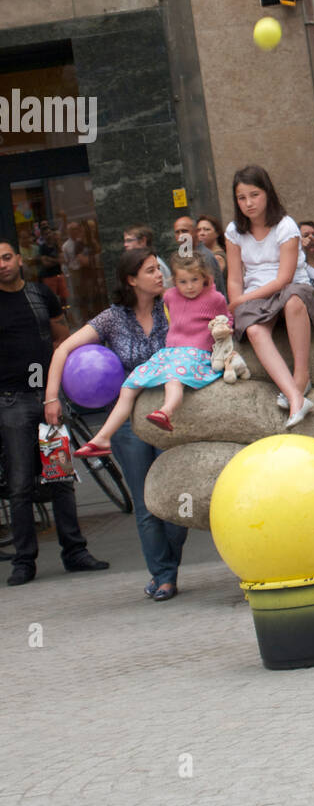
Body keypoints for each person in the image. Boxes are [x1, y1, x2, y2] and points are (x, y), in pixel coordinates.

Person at [46, 249, 186, 601]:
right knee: (145, 500)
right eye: (151, 270)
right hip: (127, 421)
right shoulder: (111, 319)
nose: (159, 275)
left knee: (176, 498)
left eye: (159, 269)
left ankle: (167, 566)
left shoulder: (172, 306)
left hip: (171, 415)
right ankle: (164, 575)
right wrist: (51, 397)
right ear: (131, 279)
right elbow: (63, 350)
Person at [0, 238, 109, 586]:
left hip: (46, 399)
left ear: (18, 259)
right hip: (11, 401)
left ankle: (75, 551)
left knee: (60, 477)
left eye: (6, 257)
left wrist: (56, 390)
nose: (1, 264)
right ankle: (24, 562)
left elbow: (62, 339)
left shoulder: (39, 295)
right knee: (18, 486)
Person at [74, 251, 229, 453]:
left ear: (205, 279)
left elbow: (226, 318)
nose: (189, 286)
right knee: (129, 386)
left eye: (194, 280)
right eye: (182, 281)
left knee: (174, 378)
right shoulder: (171, 296)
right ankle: (103, 438)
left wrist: (224, 329)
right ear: (174, 281)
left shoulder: (214, 298)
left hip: (195, 353)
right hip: (169, 353)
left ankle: (166, 411)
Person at [225, 165, 314, 428]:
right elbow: (234, 277)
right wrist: (237, 302)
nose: (248, 203)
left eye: (254, 195)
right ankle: (295, 397)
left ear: (267, 194)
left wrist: (243, 299)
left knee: (293, 298)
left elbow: (284, 278)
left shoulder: (286, 226)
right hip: (256, 296)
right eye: (241, 198)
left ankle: (302, 376)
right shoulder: (234, 231)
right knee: (253, 331)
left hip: (290, 289)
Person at [173, 214, 225, 297]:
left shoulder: (205, 257)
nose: (181, 236)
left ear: (195, 232)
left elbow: (214, 291)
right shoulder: (180, 257)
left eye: (184, 231)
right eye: (177, 232)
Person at [196, 214, 227, 279]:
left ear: (217, 233)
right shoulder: (203, 253)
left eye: (207, 229)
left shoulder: (217, 257)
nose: (201, 233)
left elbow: (210, 282)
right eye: (198, 230)